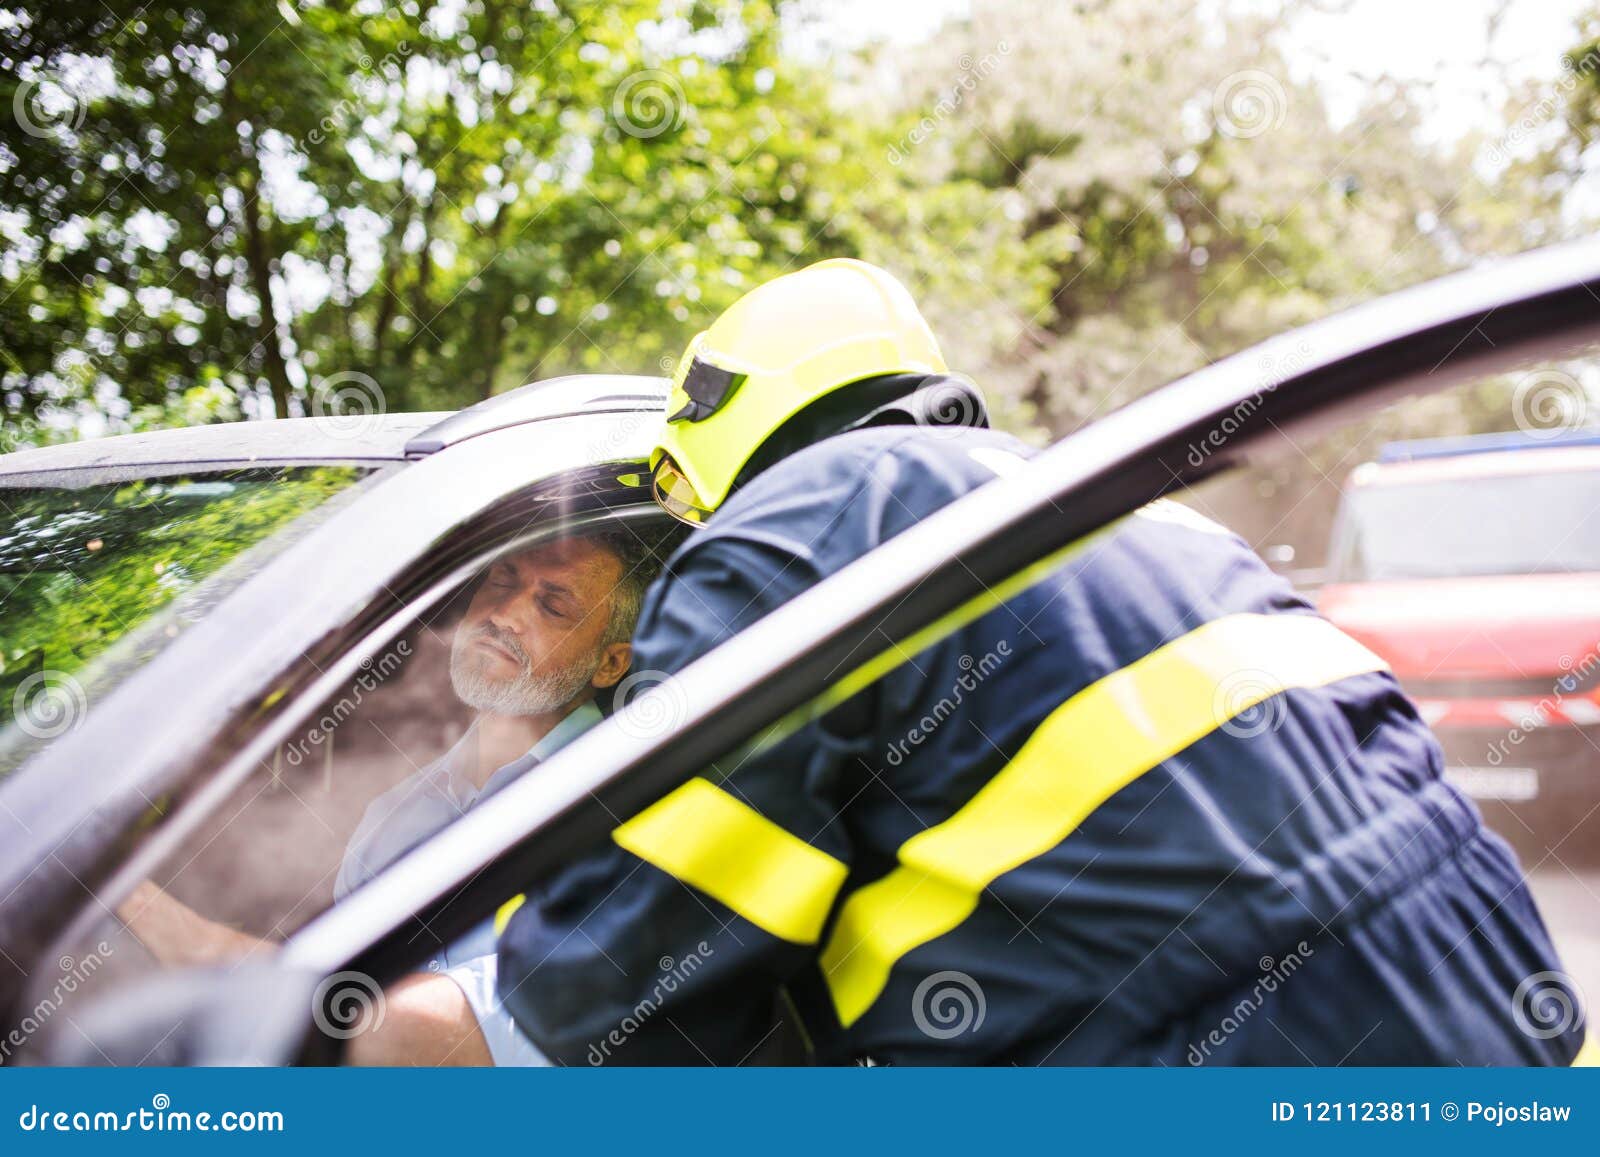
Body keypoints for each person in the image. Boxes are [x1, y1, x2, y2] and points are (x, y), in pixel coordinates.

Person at [495, 258, 1582, 1066]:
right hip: (1504, 1020)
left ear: (714, 420)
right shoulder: (1114, 504)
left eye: (680, 498)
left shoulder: (803, 524)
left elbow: (603, 987)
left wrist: (507, 892)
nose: (688, 532)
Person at [120, 529, 660, 1066]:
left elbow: (438, 1041)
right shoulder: (395, 812)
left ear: (611, 665)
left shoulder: (629, 811)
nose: (505, 613)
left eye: (553, 605)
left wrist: (128, 897)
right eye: (503, 578)